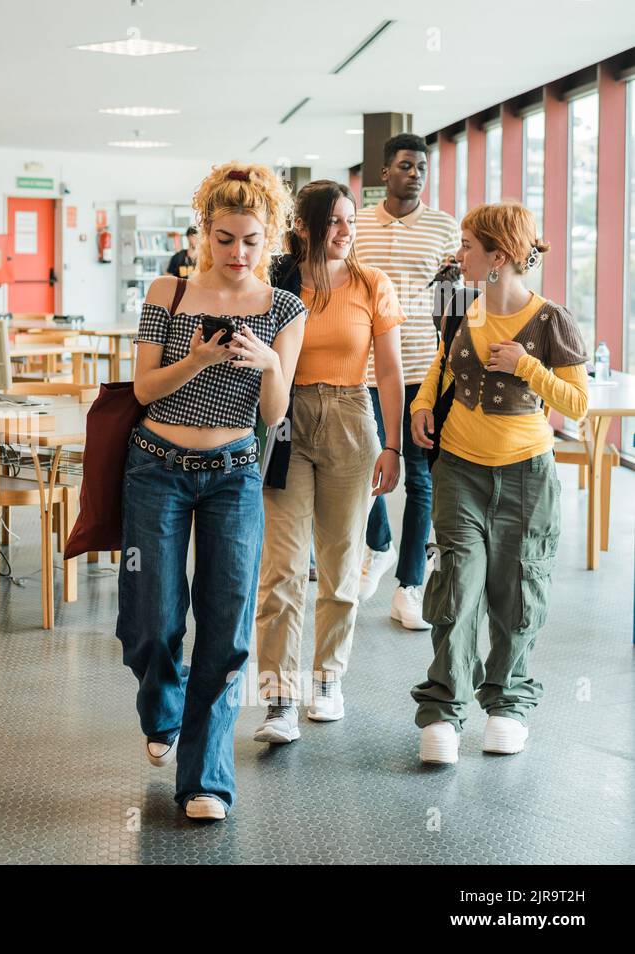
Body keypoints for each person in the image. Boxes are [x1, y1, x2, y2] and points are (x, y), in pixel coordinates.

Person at [116, 162, 305, 820]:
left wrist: (271, 363)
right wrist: (195, 359)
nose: (237, 253)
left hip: (233, 473)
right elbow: (142, 391)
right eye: (225, 238)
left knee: (225, 629)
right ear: (203, 233)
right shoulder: (166, 292)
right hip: (156, 466)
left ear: (270, 239)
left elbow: (276, 415)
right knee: (152, 621)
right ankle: (162, 711)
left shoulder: (283, 308)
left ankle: (205, 779)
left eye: (251, 241)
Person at [410, 202, 587, 764]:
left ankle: (508, 704)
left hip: (527, 476)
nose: (459, 256)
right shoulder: (461, 305)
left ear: (499, 258)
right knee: (456, 586)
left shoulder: (552, 320)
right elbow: (443, 362)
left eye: (468, 247)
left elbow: (578, 408)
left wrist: (526, 367)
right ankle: (443, 709)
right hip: (459, 467)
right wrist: (420, 403)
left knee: (516, 593)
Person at [253, 179, 404, 744]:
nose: (346, 231)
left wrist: (394, 448)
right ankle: (278, 700)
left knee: (341, 566)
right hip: (284, 421)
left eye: (350, 221)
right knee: (283, 569)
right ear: (305, 228)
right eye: (335, 221)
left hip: (349, 418)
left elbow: (388, 373)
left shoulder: (371, 284)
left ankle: (327, 680)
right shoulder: (277, 283)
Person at [353, 133, 461, 628]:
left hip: (424, 370)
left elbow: (458, 303)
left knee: (419, 478)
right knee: (361, 466)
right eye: (405, 165)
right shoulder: (356, 227)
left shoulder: (444, 228)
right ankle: (379, 546)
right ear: (385, 173)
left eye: (422, 166)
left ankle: (410, 587)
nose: (415, 173)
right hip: (366, 368)